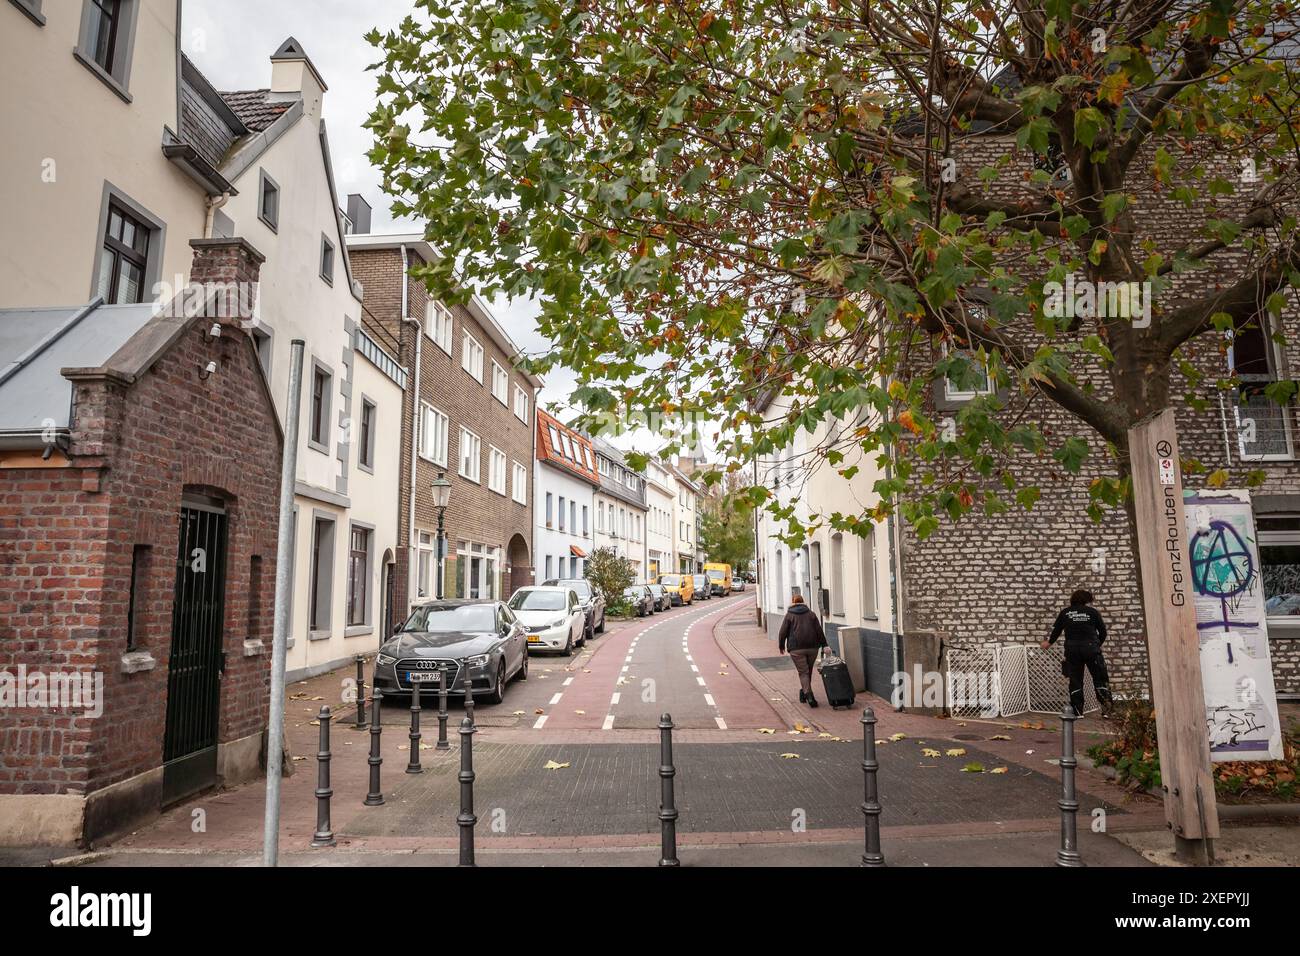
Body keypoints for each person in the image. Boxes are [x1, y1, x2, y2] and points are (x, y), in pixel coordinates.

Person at [1042, 589, 1114, 717]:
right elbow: (1103, 632)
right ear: (1086, 600)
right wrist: (1096, 645)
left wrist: (1049, 643)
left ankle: (1077, 711)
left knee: (1075, 680)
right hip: (1091, 648)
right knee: (1100, 678)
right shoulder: (1093, 612)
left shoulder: (1065, 612)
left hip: (1072, 649)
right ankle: (1107, 710)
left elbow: (1057, 631)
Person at [778, 593, 828, 707]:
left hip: (796, 649)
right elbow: (819, 630)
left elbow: (782, 632)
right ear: (803, 602)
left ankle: (809, 695)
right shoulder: (811, 614)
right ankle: (803, 692)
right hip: (812, 647)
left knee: (803, 672)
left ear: (793, 602)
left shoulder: (789, 615)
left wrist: (781, 646)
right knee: (807, 671)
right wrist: (824, 644)